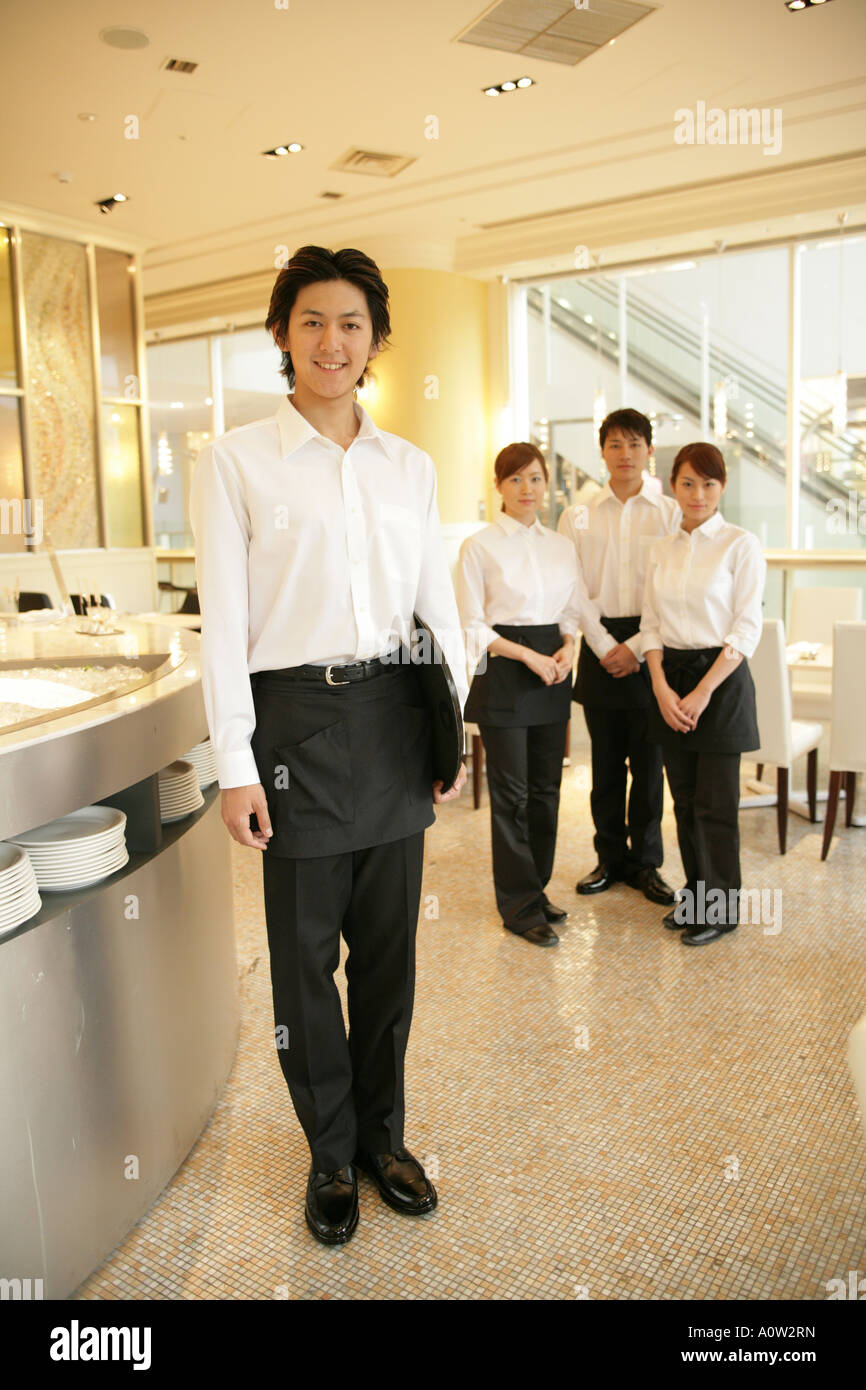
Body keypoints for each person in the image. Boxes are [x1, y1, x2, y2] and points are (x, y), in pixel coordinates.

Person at [189, 245, 469, 1247]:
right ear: (281, 334)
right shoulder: (234, 461)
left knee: (388, 955)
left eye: (351, 323)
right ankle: (328, 1144)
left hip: (394, 719)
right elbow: (220, 624)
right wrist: (233, 764)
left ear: (375, 340)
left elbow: (439, 608)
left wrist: (450, 719)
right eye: (312, 320)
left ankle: (384, 1138)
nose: (332, 341)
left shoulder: (409, 467)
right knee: (305, 963)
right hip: (291, 729)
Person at [640, 442, 766, 947]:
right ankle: (695, 900)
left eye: (709, 484)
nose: (698, 494)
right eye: (688, 483)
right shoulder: (661, 549)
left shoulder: (740, 545)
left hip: (721, 680)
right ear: (673, 485)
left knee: (715, 804)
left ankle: (720, 909)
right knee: (685, 801)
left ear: (722, 488)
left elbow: (746, 628)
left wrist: (702, 692)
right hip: (670, 678)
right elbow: (650, 624)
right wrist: (663, 689)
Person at [457, 442, 580, 948]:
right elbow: (470, 624)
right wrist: (527, 656)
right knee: (512, 795)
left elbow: (572, 608)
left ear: (546, 482)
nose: (526, 489)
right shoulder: (478, 546)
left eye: (534, 479)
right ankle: (518, 906)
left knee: (549, 790)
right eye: (515, 480)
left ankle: (537, 888)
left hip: (554, 666)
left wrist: (570, 646)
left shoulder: (561, 545)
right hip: (507, 669)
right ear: (499, 486)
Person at [557, 409, 680, 906]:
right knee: (604, 765)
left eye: (634, 444)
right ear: (602, 451)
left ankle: (646, 863)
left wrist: (636, 647)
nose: (625, 454)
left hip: (652, 644)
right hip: (600, 640)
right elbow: (573, 587)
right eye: (615, 445)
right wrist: (607, 646)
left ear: (649, 450)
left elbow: (673, 589)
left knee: (649, 767)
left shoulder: (671, 512)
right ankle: (609, 858)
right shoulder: (579, 513)